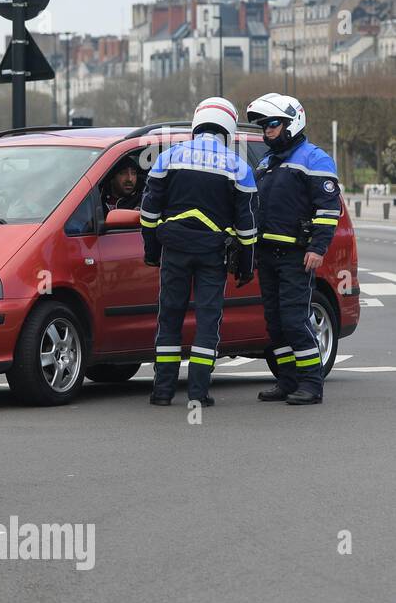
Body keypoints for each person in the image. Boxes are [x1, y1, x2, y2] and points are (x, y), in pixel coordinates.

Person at [140, 98, 258, 407]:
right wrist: (246, 266)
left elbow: (148, 213)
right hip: (212, 254)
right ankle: (198, 393)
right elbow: (247, 227)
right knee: (207, 321)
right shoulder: (238, 166)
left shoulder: (168, 157)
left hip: (174, 250)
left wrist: (152, 251)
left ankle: (162, 392)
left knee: (169, 318)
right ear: (228, 127)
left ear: (197, 123)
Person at [245, 93, 340, 405]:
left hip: (297, 257)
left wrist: (318, 248)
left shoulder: (315, 159)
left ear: (292, 122)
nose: (266, 132)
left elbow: (328, 210)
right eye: (264, 126)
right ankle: (286, 381)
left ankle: (312, 384)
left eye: (272, 124)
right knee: (274, 322)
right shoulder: (267, 162)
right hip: (268, 254)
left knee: (295, 320)